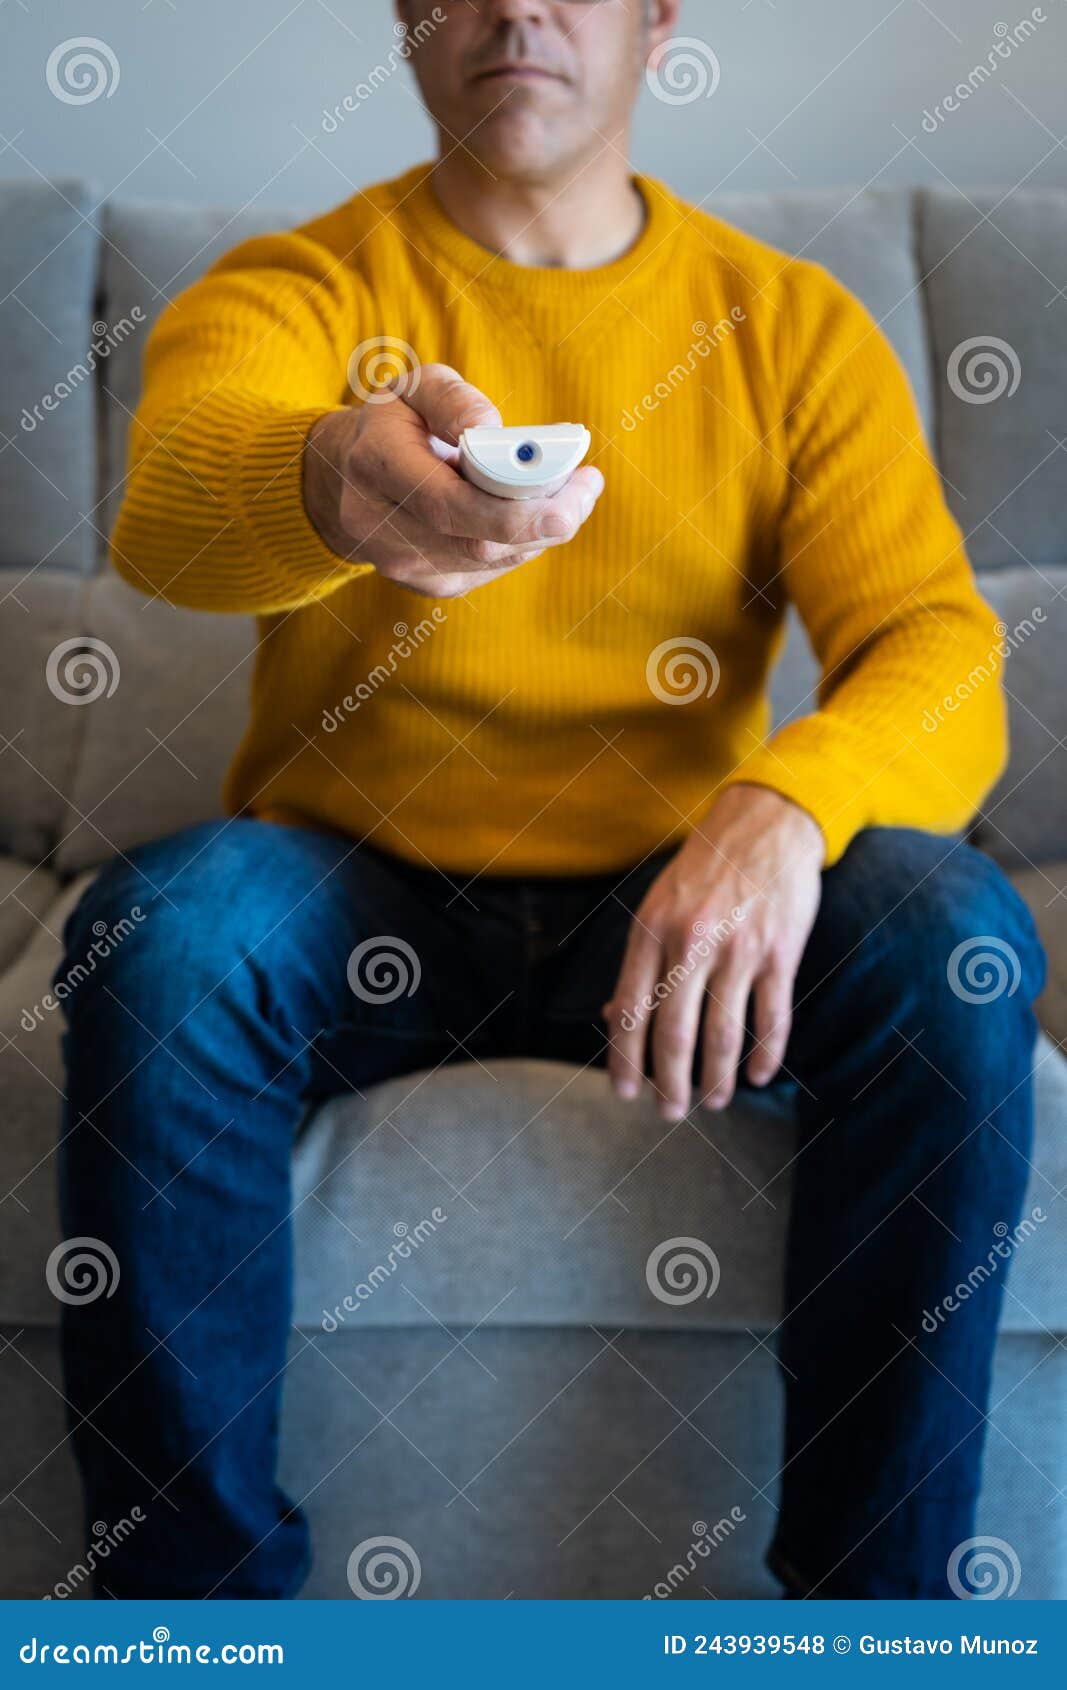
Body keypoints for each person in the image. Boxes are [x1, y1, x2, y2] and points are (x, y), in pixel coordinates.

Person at [56, 0, 1045, 1599]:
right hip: (349, 886)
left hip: (671, 915)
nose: (520, 6)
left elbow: (938, 647)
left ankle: (876, 1623)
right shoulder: (298, 286)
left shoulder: (785, 324)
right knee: (165, 940)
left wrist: (785, 805)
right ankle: (193, 1614)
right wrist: (328, 479)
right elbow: (168, 514)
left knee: (951, 935)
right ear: (407, 20)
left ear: (660, 21)